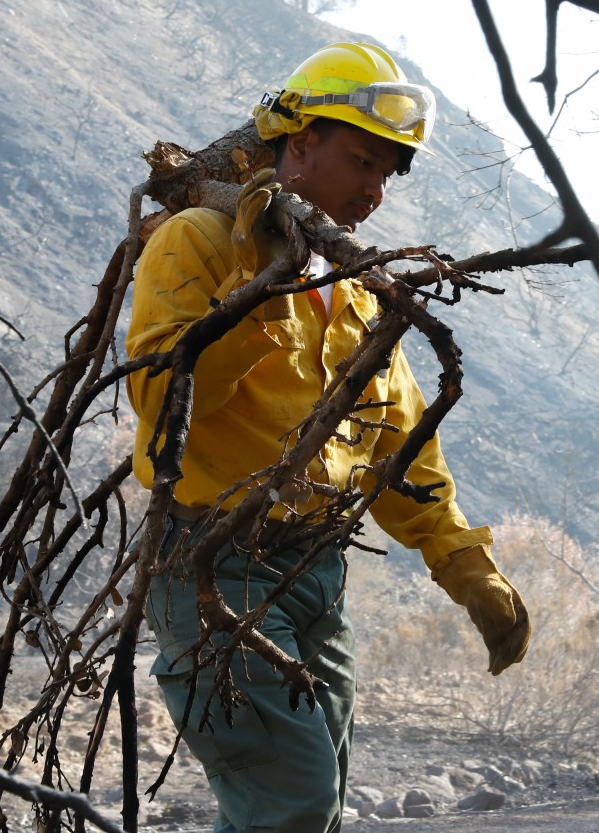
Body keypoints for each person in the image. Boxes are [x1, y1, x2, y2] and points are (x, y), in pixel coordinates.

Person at [126, 41, 531, 833]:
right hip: (215, 562)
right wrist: (261, 291)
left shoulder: (354, 284)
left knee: (306, 805)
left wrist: (465, 566)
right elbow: (160, 397)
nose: (375, 191)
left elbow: (402, 447)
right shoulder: (199, 242)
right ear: (298, 143)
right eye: (361, 162)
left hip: (315, 572)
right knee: (293, 807)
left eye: (389, 175)